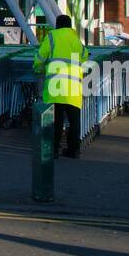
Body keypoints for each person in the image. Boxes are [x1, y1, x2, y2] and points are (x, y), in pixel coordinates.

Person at [33, 14, 88, 158]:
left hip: (56, 86)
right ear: (69, 26)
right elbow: (84, 55)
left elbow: (41, 56)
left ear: (57, 25)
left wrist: (38, 69)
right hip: (73, 87)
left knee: (56, 121)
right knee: (74, 121)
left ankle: (54, 150)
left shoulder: (52, 37)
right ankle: (73, 150)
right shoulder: (76, 39)